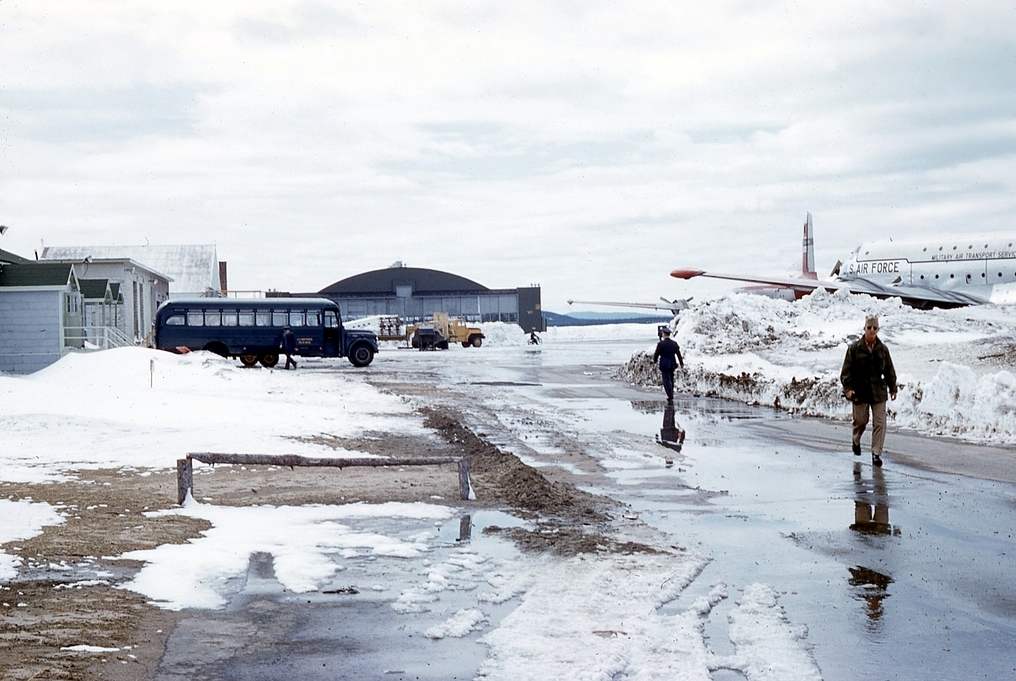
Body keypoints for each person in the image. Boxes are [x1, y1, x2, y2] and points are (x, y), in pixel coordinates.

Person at [840, 315, 897, 467]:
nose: (872, 330)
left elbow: (889, 370)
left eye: (875, 328)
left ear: (878, 329)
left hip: (878, 391)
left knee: (880, 422)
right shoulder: (854, 349)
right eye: (869, 327)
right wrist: (848, 389)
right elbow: (846, 371)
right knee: (861, 421)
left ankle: (876, 453)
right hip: (860, 391)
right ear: (864, 329)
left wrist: (893, 388)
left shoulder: (883, 350)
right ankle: (856, 439)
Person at [652, 327, 684, 401]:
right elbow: (678, 354)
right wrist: (681, 363)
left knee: (666, 380)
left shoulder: (661, 344)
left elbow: (656, 354)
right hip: (672, 364)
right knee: (671, 379)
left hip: (664, 364)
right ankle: (671, 392)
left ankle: (669, 395)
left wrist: (655, 361)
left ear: (664, 334)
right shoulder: (674, 343)